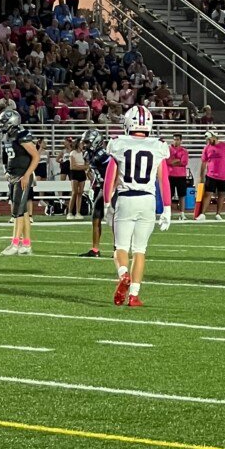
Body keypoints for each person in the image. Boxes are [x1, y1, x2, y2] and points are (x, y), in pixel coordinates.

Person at [103, 103, 172, 308]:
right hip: (148, 201)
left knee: (120, 248)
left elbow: (109, 178)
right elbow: (164, 181)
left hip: (126, 198)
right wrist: (167, 208)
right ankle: (134, 295)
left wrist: (107, 203)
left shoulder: (118, 143)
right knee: (140, 250)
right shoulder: (158, 145)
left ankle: (124, 274)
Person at [0, 109, 40, 256]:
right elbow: (6, 157)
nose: (2, 125)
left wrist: (27, 175)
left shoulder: (22, 135)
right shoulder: (7, 136)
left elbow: (36, 156)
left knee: (17, 211)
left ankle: (15, 243)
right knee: (23, 211)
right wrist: (6, 171)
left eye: (4, 122)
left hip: (22, 176)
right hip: (13, 175)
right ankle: (27, 244)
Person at [79, 129, 111, 259]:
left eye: (87, 142)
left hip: (110, 188)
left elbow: (113, 171)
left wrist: (109, 188)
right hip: (100, 187)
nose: (85, 145)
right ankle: (95, 249)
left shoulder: (104, 155)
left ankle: (118, 249)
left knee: (115, 220)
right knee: (96, 217)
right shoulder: (89, 154)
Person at [195, 130, 225, 221]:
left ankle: (218, 213)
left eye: (209, 139)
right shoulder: (207, 148)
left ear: (214, 137)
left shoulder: (224, 146)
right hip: (211, 174)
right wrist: (201, 175)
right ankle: (203, 214)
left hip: (224, 175)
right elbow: (203, 162)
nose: (208, 141)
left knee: (221, 194)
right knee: (207, 194)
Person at [165, 134, 191, 214]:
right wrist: (177, 160)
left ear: (180, 140)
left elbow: (184, 162)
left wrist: (173, 162)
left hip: (181, 176)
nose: (176, 141)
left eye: (177, 139)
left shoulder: (184, 151)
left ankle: (182, 213)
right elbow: (167, 161)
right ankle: (168, 212)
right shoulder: (168, 150)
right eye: (174, 139)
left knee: (182, 195)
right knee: (169, 195)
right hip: (170, 175)